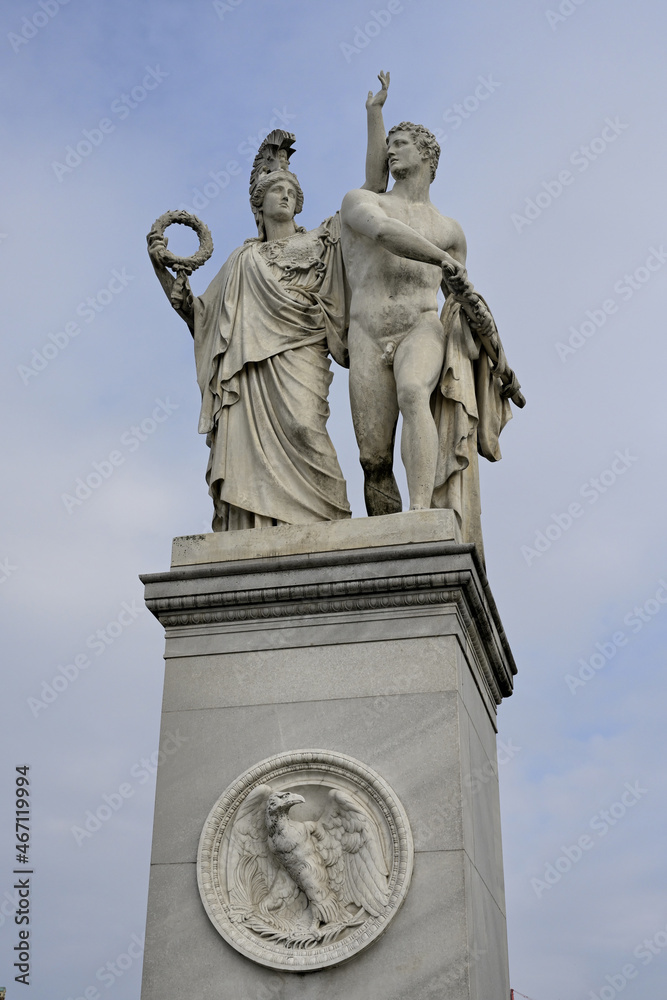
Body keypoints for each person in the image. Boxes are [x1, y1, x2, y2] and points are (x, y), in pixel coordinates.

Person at [147, 76, 392, 531]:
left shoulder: (325, 237)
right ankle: (257, 526)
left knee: (305, 428)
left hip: (302, 352)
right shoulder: (244, 260)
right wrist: (161, 267)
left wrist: (373, 114)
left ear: (298, 203)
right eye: (275, 190)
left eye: (291, 191)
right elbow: (199, 316)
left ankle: (330, 524)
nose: (285, 194)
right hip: (252, 370)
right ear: (258, 207)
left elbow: (374, 187)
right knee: (251, 437)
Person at [340, 109, 515, 564]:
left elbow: (465, 303)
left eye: (400, 143)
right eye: (389, 143)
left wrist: (500, 359)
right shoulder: (362, 201)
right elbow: (384, 234)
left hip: (421, 325)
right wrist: (442, 261)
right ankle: (385, 543)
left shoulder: (450, 229)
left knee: (415, 391)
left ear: (426, 156)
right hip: (366, 333)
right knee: (372, 458)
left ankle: (420, 516)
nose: (391, 150)